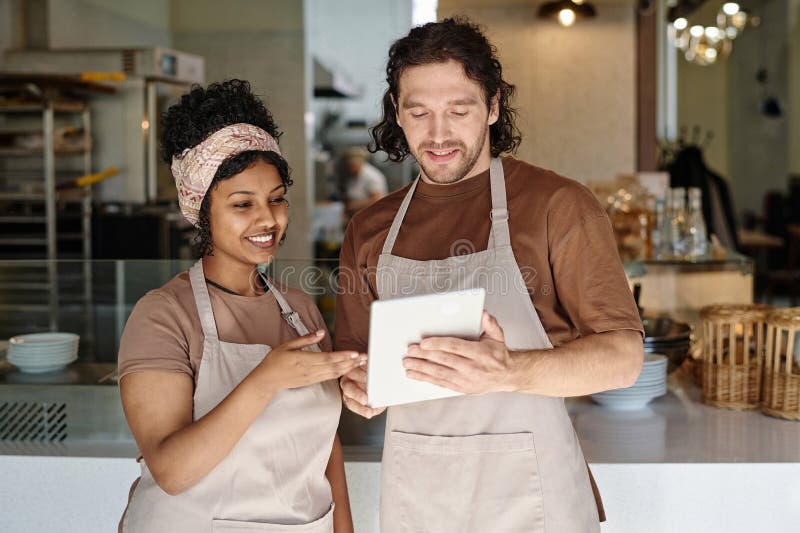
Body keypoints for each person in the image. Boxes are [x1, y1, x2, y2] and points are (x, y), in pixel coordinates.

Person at [335, 18, 644, 533]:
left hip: (533, 500)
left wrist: (508, 370)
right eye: (419, 112)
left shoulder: (558, 206)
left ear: (493, 106)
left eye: (459, 111)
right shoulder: (369, 229)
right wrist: (357, 388)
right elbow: (354, 367)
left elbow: (624, 358)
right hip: (420, 501)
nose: (438, 134)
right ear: (396, 111)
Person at [117, 80, 361, 533]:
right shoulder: (164, 315)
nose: (267, 218)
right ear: (201, 209)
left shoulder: (299, 310)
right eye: (242, 204)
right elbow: (171, 471)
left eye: (276, 199)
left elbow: (325, 445)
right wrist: (266, 379)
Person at [340, 147, 388, 216]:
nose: (347, 168)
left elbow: (377, 199)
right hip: (358, 215)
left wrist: (353, 206)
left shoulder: (371, 175)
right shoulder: (353, 175)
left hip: (372, 216)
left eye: (349, 165)